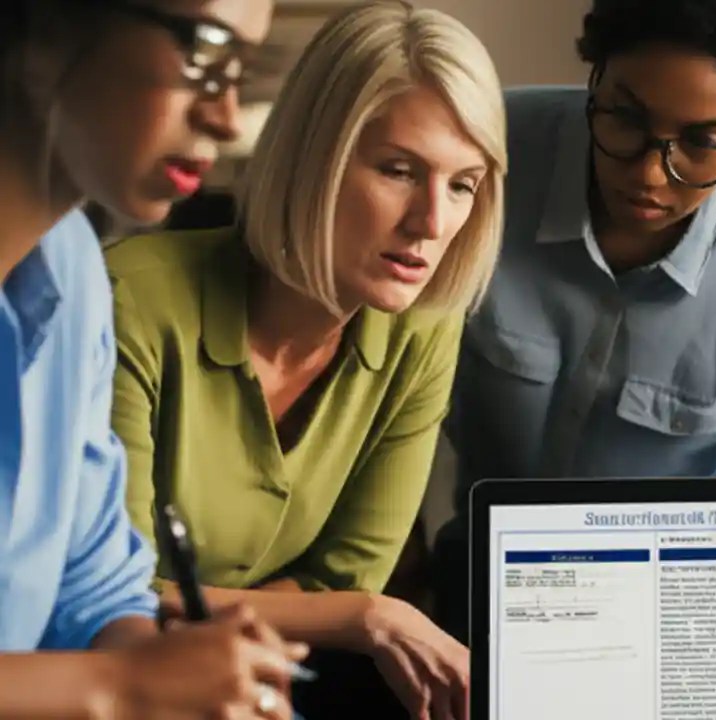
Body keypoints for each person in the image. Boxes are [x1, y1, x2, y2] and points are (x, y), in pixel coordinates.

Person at [105, 2, 505, 717]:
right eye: (398, 169)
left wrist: (349, 608)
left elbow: (350, 571)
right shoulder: (130, 301)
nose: (433, 223)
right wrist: (368, 617)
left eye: (462, 184)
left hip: (259, 686)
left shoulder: (425, 329)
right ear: (311, 155)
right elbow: (111, 595)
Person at [432, 0, 716, 643]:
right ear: (595, 75)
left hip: (686, 608)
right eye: (626, 119)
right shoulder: (480, 159)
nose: (650, 174)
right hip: (479, 580)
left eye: (704, 143)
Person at [0, 1, 306, 718]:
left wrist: (186, 672)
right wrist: (120, 689)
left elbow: (91, 587)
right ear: (46, 25)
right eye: (204, 51)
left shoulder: (73, 269)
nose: (228, 117)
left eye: (244, 69)